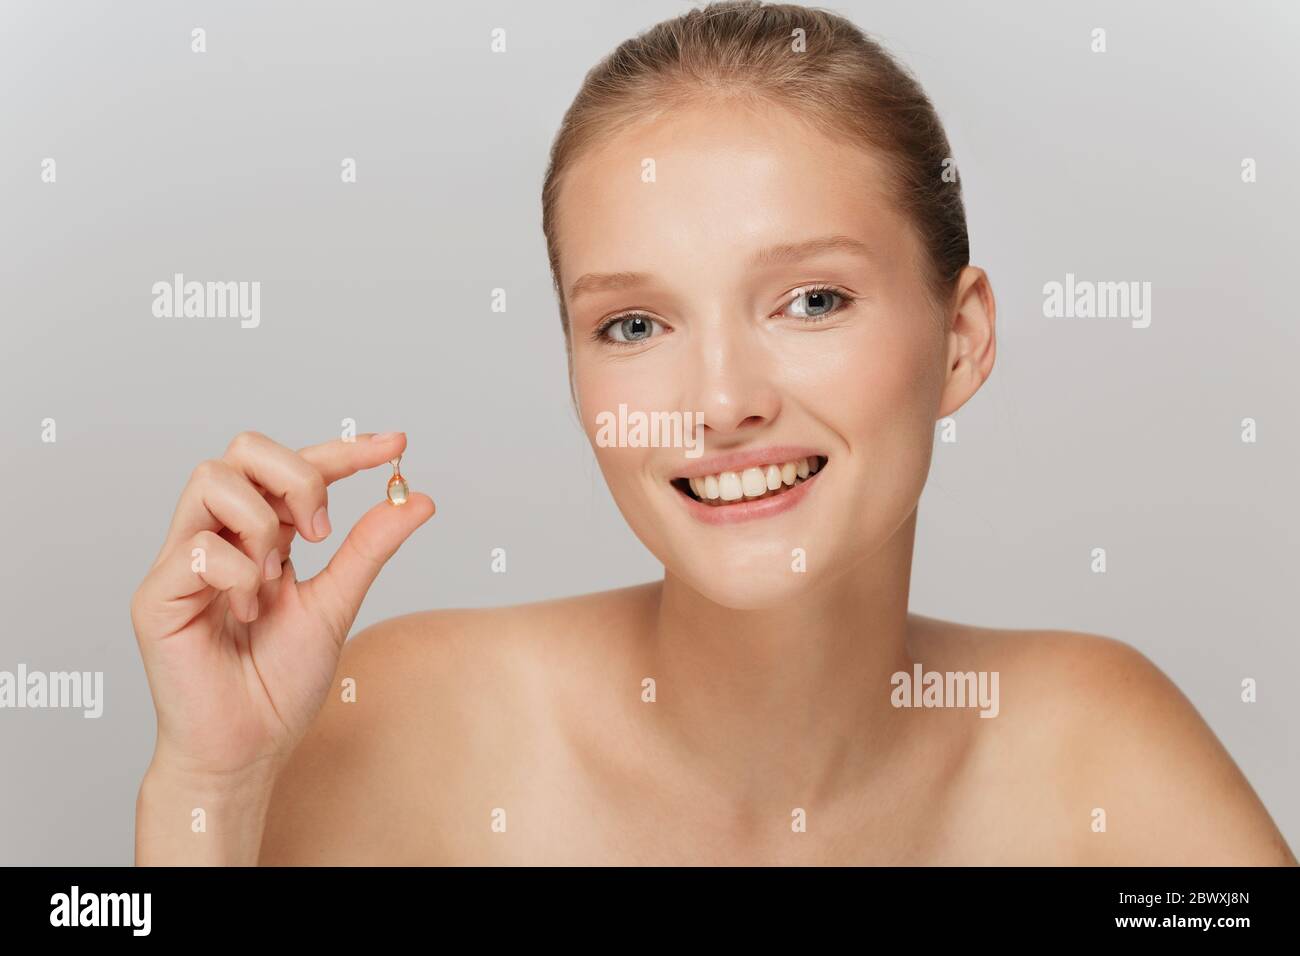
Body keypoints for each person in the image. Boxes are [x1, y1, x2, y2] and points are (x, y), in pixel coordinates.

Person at [131, 0, 1296, 865]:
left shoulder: (1095, 750)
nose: (720, 399)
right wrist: (210, 788)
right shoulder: (407, 722)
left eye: (811, 300)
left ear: (961, 338)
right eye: (634, 321)